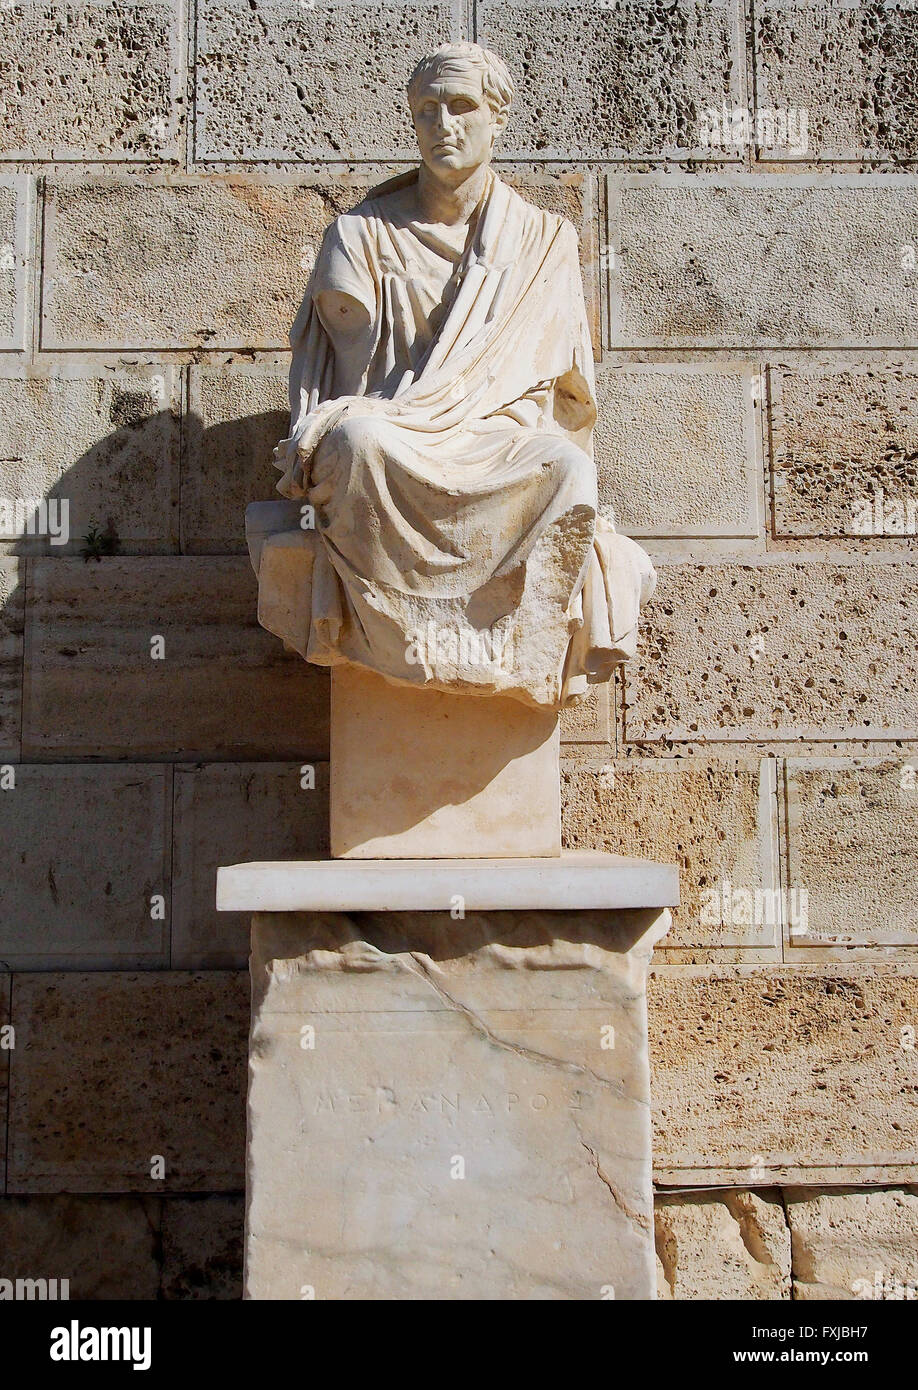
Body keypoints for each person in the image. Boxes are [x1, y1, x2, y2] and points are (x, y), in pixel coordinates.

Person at [249, 41, 655, 710]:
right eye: (427, 110)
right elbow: (343, 382)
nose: (445, 126)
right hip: (401, 437)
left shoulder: (544, 240)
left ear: (499, 119)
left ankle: (519, 647)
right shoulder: (361, 237)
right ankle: (402, 637)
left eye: (463, 107)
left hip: (500, 442)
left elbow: (567, 402)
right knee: (359, 444)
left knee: (565, 470)